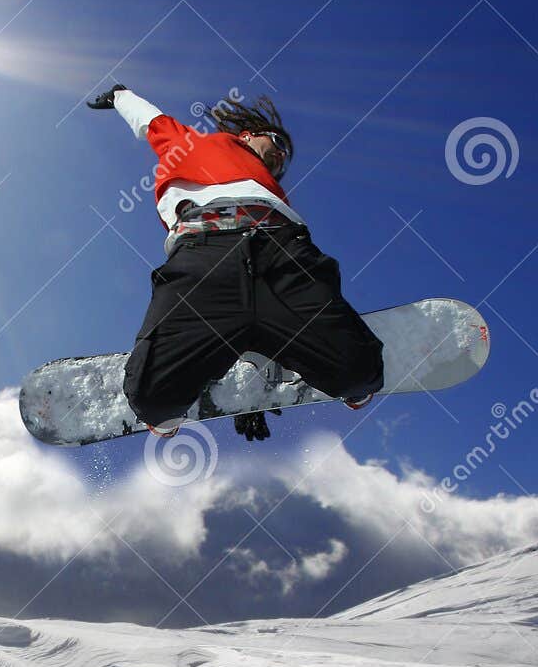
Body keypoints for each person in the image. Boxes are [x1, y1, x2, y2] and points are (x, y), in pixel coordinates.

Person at [86, 85, 384, 440]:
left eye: (284, 158)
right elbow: (150, 119)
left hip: (283, 253)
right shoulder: (193, 143)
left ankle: (267, 361)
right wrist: (121, 95)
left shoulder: (267, 184)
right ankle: (210, 374)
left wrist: (251, 398)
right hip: (204, 255)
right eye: (277, 144)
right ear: (248, 134)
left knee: (361, 374)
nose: (280, 157)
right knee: (152, 402)